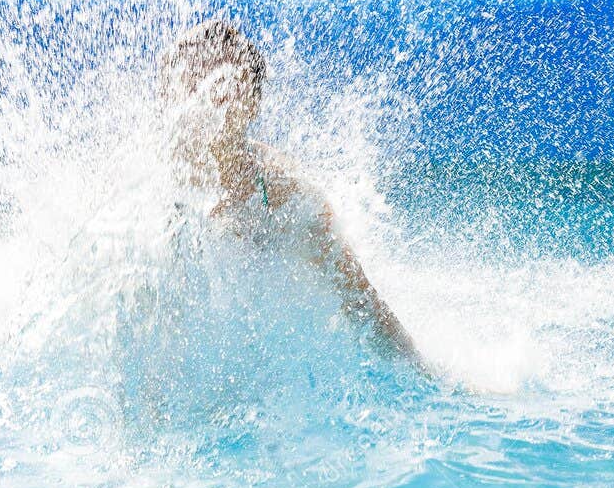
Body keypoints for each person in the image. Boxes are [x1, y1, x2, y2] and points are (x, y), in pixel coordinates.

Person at [157, 19, 424, 367]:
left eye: (223, 86)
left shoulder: (283, 192)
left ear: (251, 105)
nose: (209, 100)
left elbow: (362, 302)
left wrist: (423, 372)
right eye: (194, 85)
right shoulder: (144, 192)